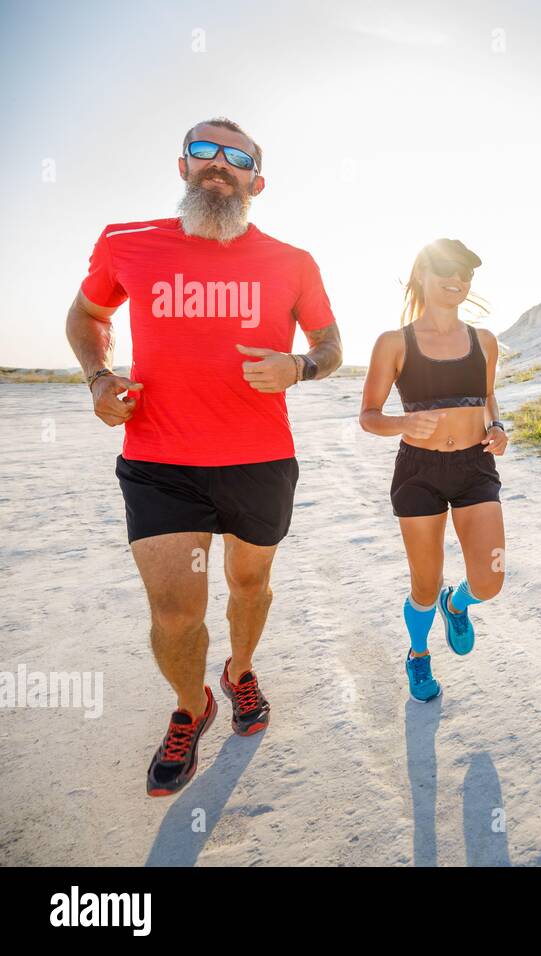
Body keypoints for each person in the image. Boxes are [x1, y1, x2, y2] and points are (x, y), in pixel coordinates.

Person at [66, 118, 343, 796]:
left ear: (257, 180)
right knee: (174, 613)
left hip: (259, 461)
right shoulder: (126, 242)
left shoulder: (294, 261)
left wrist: (301, 366)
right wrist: (99, 378)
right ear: (182, 166)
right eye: (204, 151)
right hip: (160, 462)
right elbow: (87, 317)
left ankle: (240, 671)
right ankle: (191, 707)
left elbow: (333, 346)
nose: (220, 163)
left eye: (237, 157)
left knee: (249, 587)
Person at [359, 239, 507, 702]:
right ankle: (418, 654)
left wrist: (498, 426)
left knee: (490, 580)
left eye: (466, 273)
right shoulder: (392, 343)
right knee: (423, 583)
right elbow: (369, 415)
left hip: (474, 466)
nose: (458, 279)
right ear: (421, 275)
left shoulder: (484, 341)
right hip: (418, 471)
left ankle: (456, 603)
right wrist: (403, 423)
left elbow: (486, 398)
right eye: (447, 269)